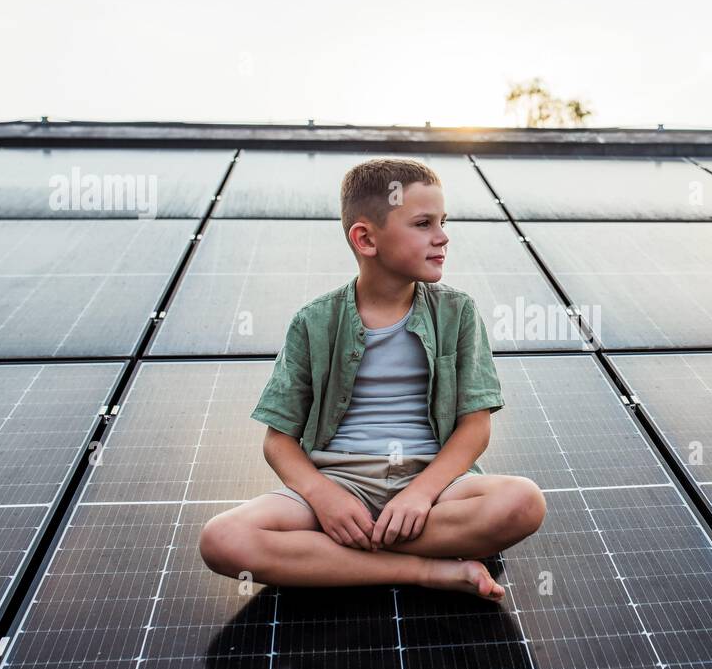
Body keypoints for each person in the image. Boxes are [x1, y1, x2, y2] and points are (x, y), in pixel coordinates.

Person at [199, 157, 546, 601]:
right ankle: (425, 570)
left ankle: (338, 559)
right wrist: (324, 498)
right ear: (366, 238)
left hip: (435, 487)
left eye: (443, 222)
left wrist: (420, 495)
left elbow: (475, 426)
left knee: (523, 502)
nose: (442, 237)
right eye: (423, 223)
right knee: (222, 540)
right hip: (338, 482)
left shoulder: (457, 312)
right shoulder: (313, 322)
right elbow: (278, 441)